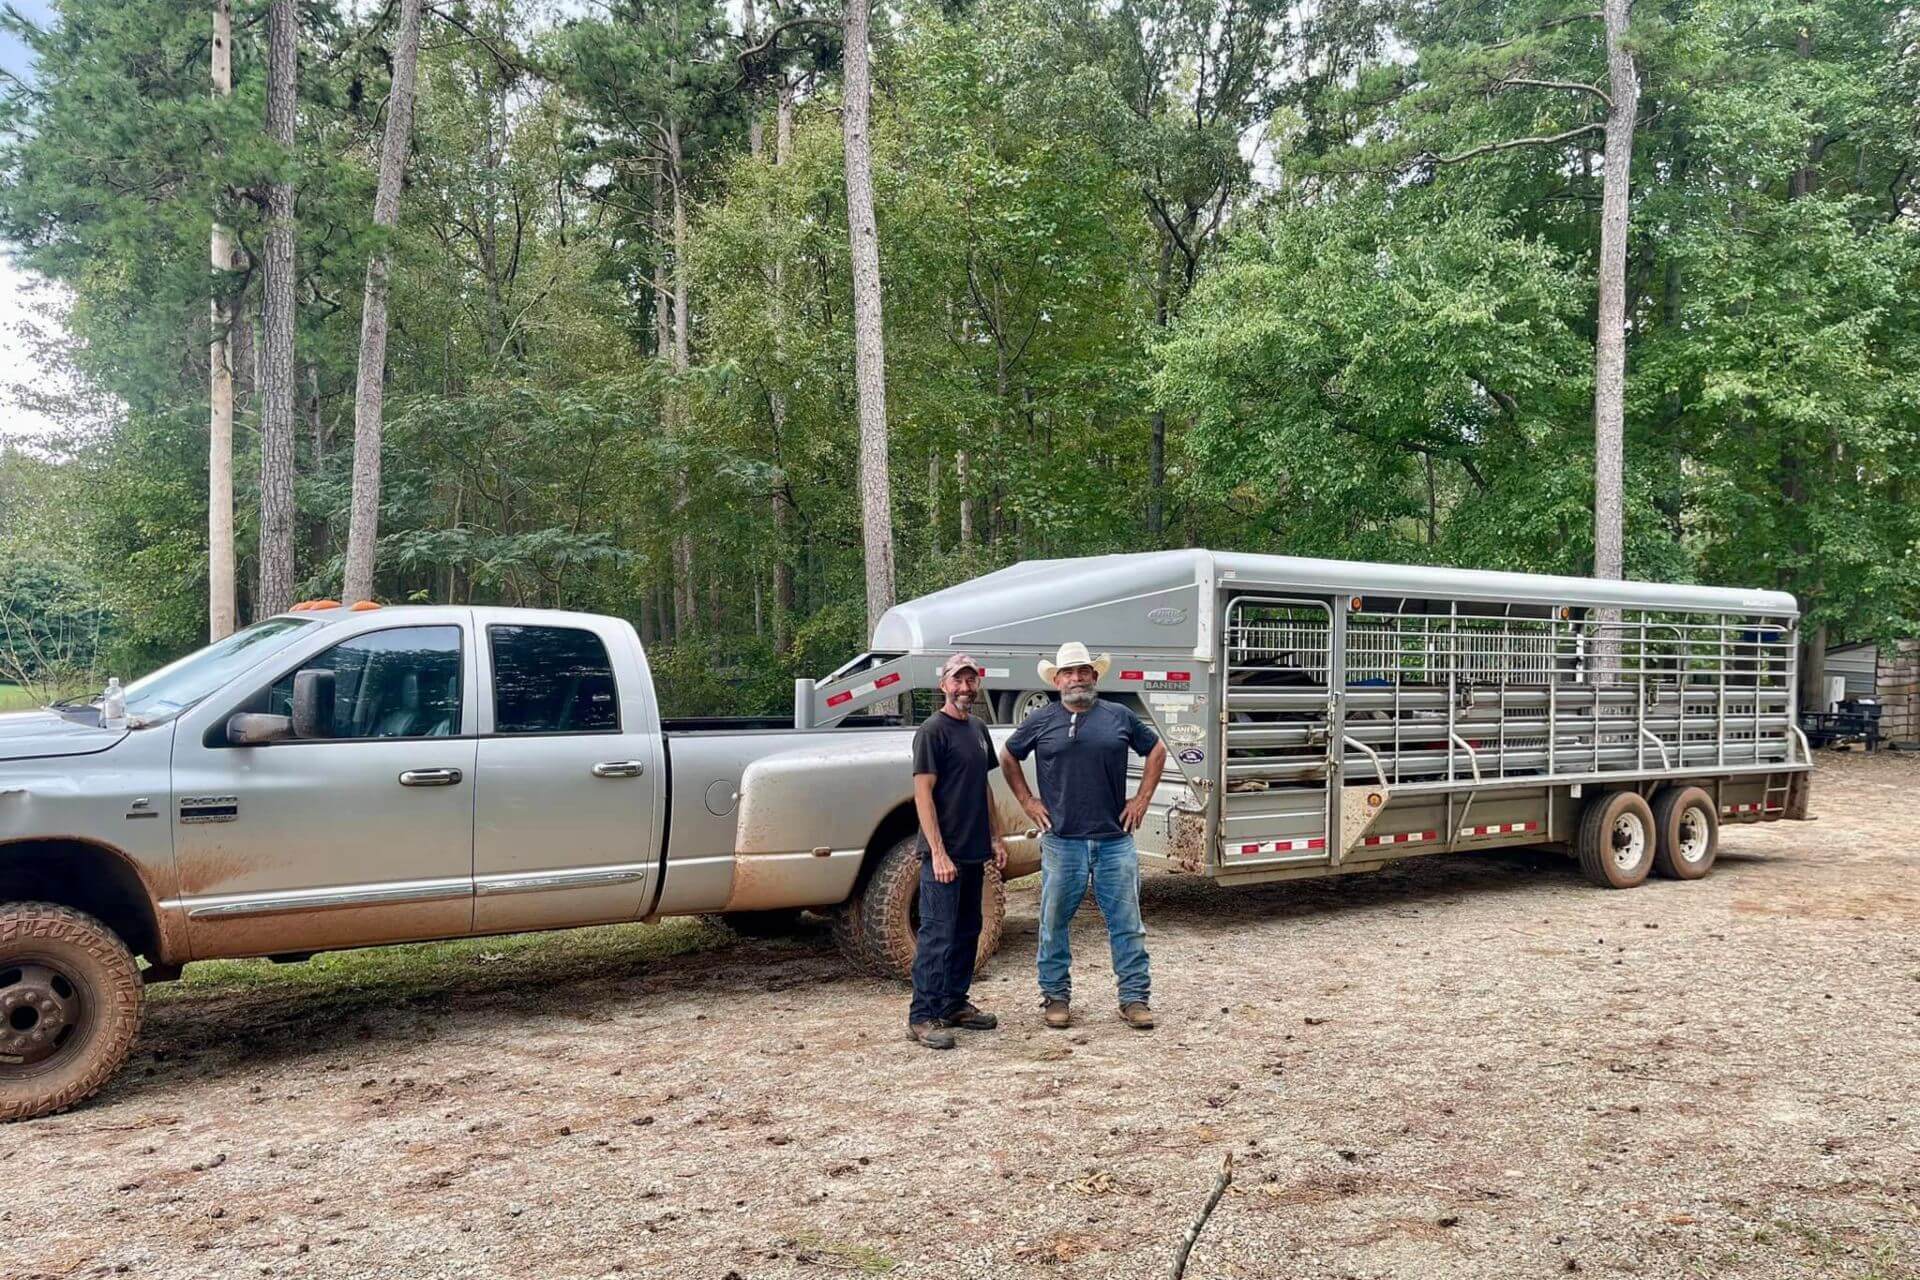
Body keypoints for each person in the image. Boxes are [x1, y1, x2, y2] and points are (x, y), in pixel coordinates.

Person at [1001, 641, 1167, 1031]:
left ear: (1095, 676)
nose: (1076, 678)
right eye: (1068, 673)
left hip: (1114, 839)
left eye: (1083, 671)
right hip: (1062, 841)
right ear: (1057, 681)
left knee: (1126, 922)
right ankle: (1056, 997)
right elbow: (1009, 755)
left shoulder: (1119, 716)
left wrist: (1142, 799)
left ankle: (1134, 999)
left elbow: (1156, 750)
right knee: (1054, 921)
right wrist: (1027, 801)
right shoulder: (1041, 720)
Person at [906, 653, 1008, 1049]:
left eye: (971, 680)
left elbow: (983, 788)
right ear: (943, 685)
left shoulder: (978, 729)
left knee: (969, 930)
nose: (964, 688)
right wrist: (939, 852)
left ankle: (953, 1003)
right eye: (957, 680)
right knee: (937, 935)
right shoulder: (933, 731)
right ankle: (922, 1016)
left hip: (973, 852)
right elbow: (923, 794)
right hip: (942, 858)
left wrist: (995, 837)